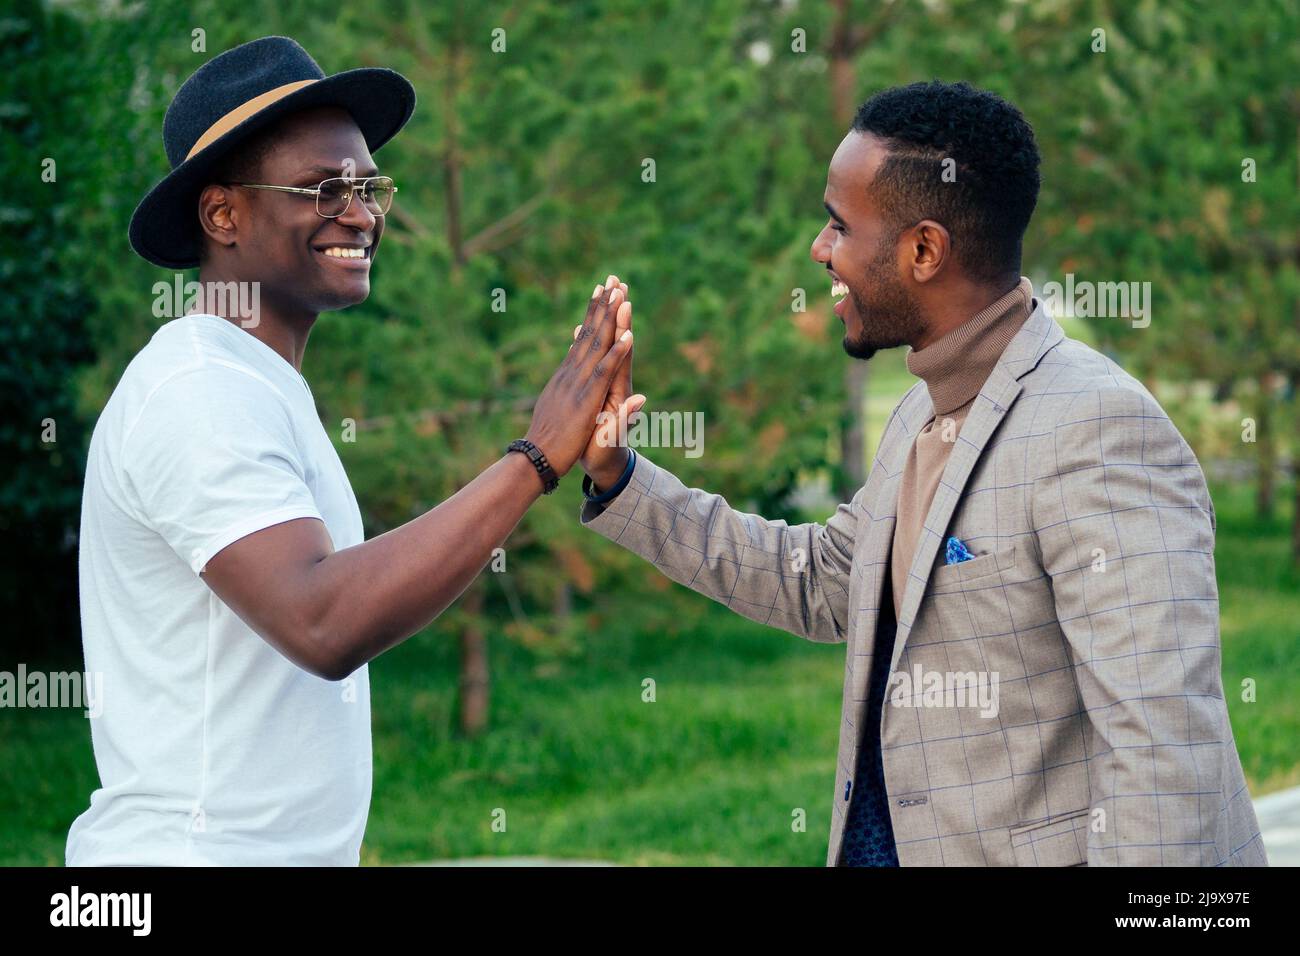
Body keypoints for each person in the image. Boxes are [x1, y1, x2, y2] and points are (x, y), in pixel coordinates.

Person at [578, 81, 1267, 867]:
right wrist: (619, 475)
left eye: (839, 224)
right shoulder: (920, 415)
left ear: (924, 251)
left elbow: (1163, 751)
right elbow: (823, 580)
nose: (819, 248)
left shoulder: (1099, 431)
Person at [67, 35, 638, 866]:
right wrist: (535, 459)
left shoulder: (255, 383)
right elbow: (323, 620)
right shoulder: (195, 389)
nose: (362, 213)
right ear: (222, 214)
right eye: (322, 188)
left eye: (369, 186)